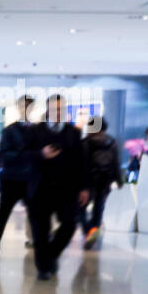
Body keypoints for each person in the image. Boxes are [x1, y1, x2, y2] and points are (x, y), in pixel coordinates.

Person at [28, 94, 89, 280]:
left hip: (67, 189)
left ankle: (51, 255)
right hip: (40, 188)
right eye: (54, 109)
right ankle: (43, 268)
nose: (58, 113)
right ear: (48, 110)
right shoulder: (35, 131)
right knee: (40, 231)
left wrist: (84, 187)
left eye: (61, 109)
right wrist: (41, 154)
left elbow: (82, 161)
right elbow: (24, 157)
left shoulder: (74, 132)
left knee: (69, 226)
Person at [0, 96, 41, 262]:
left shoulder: (38, 130)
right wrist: (27, 155)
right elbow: (3, 154)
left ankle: (40, 247)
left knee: (35, 215)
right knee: (3, 214)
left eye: (28, 106)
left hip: (30, 179)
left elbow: (41, 156)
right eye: (23, 106)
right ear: (18, 108)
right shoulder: (9, 131)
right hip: (12, 179)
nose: (26, 109)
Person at [80, 116, 118, 248]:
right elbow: (115, 162)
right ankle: (92, 232)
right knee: (98, 211)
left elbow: (81, 165)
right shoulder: (111, 142)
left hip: (88, 182)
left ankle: (88, 232)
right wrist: (118, 179)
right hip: (104, 181)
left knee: (81, 210)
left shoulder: (85, 143)